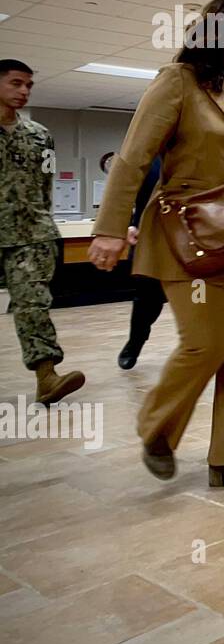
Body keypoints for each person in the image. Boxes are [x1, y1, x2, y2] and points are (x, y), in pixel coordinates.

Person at [87, 0, 224, 490]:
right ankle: (157, 427)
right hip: (191, 235)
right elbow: (133, 156)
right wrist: (108, 227)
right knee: (207, 343)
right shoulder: (179, 81)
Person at [0, 60, 85, 404]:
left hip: (31, 236)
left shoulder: (41, 136)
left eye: (29, 85)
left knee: (33, 306)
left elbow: (47, 183)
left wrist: (44, 224)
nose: (24, 91)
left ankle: (46, 376)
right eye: (16, 83)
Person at [116, 156, 167, 370]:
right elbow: (124, 192)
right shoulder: (148, 157)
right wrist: (127, 225)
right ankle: (135, 342)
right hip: (150, 236)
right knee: (148, 298)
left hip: (191, 236)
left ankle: (200, 347)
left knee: (199, 294)